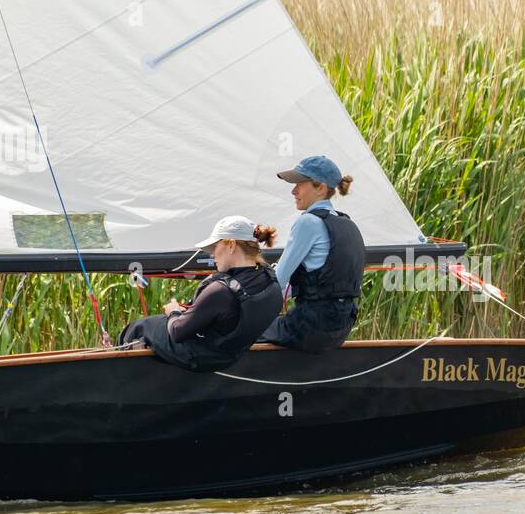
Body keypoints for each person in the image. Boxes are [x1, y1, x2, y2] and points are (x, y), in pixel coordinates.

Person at [117, 216, 282, 371]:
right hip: (233, 354)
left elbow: (177, 332)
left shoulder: (220, 291)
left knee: (141, 327)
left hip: (203, 359)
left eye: (215, 247)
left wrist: (173, 311)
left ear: (231, 245)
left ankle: (120, 369)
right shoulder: (269, 278)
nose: (212, 254)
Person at [259, 155, 365, 354]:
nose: (293, 190)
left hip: (310, 327)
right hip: (341, 328)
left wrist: (244, 308)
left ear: (321, 188)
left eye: (300, 183)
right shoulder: (349, 224)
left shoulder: (307, 222)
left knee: (237, 328)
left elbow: (278, 282)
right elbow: (318, 281)